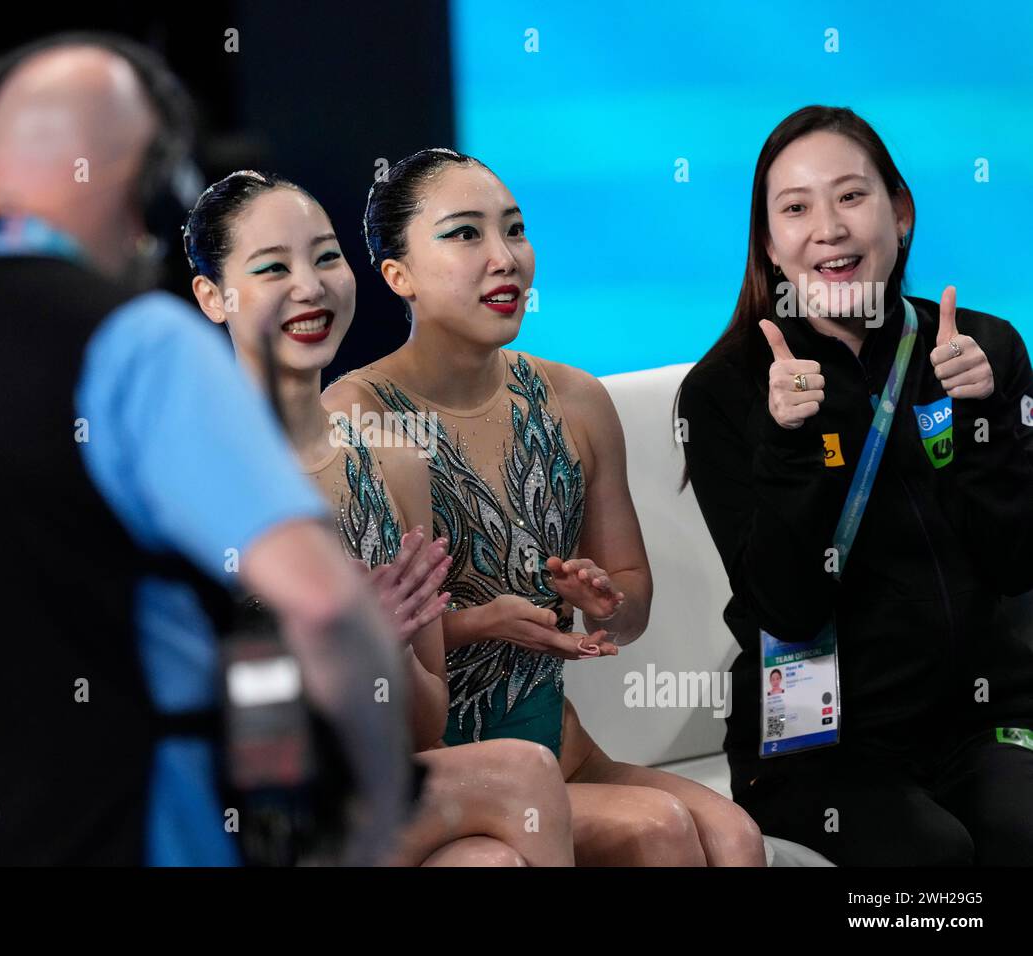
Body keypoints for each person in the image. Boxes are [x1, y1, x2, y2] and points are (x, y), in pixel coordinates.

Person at [0, 35, 412, 866]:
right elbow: (325, 605)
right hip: (124, 837)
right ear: (148, 186)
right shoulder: (132, 343)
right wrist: (368, 824)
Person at [326, 148, 765, 865]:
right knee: (659, 831)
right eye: (465, 234)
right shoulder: (359, 419)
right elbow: (370, 645)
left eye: (515, 229)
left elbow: (630, 603)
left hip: (559, 744)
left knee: (736, 836)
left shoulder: (575, 400)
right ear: (397, 275)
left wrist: (604, 600)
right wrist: (478, 624)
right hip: (449, 765)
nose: (504, 258)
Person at [183, 169, 575, 866]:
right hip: (245, 809)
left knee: (489, 862)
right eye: (274, 268)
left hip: (358, 790)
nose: (311, 286)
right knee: (521, 774)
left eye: (327, 257)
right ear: (213, 297)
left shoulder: (394, 463)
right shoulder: (194, 477)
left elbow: (426, 732)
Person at [678, 105, 1033, 865]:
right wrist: (788, 444)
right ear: (770, 245)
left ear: (899, 213)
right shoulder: (726, 390)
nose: (828, 228)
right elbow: (788, 607)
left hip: (979, 719)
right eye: (796, 208)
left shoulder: (982, 348)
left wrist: (984, 423)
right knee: (929, 865)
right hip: (819, 742)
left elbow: (1016, 563)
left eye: (851, 197)